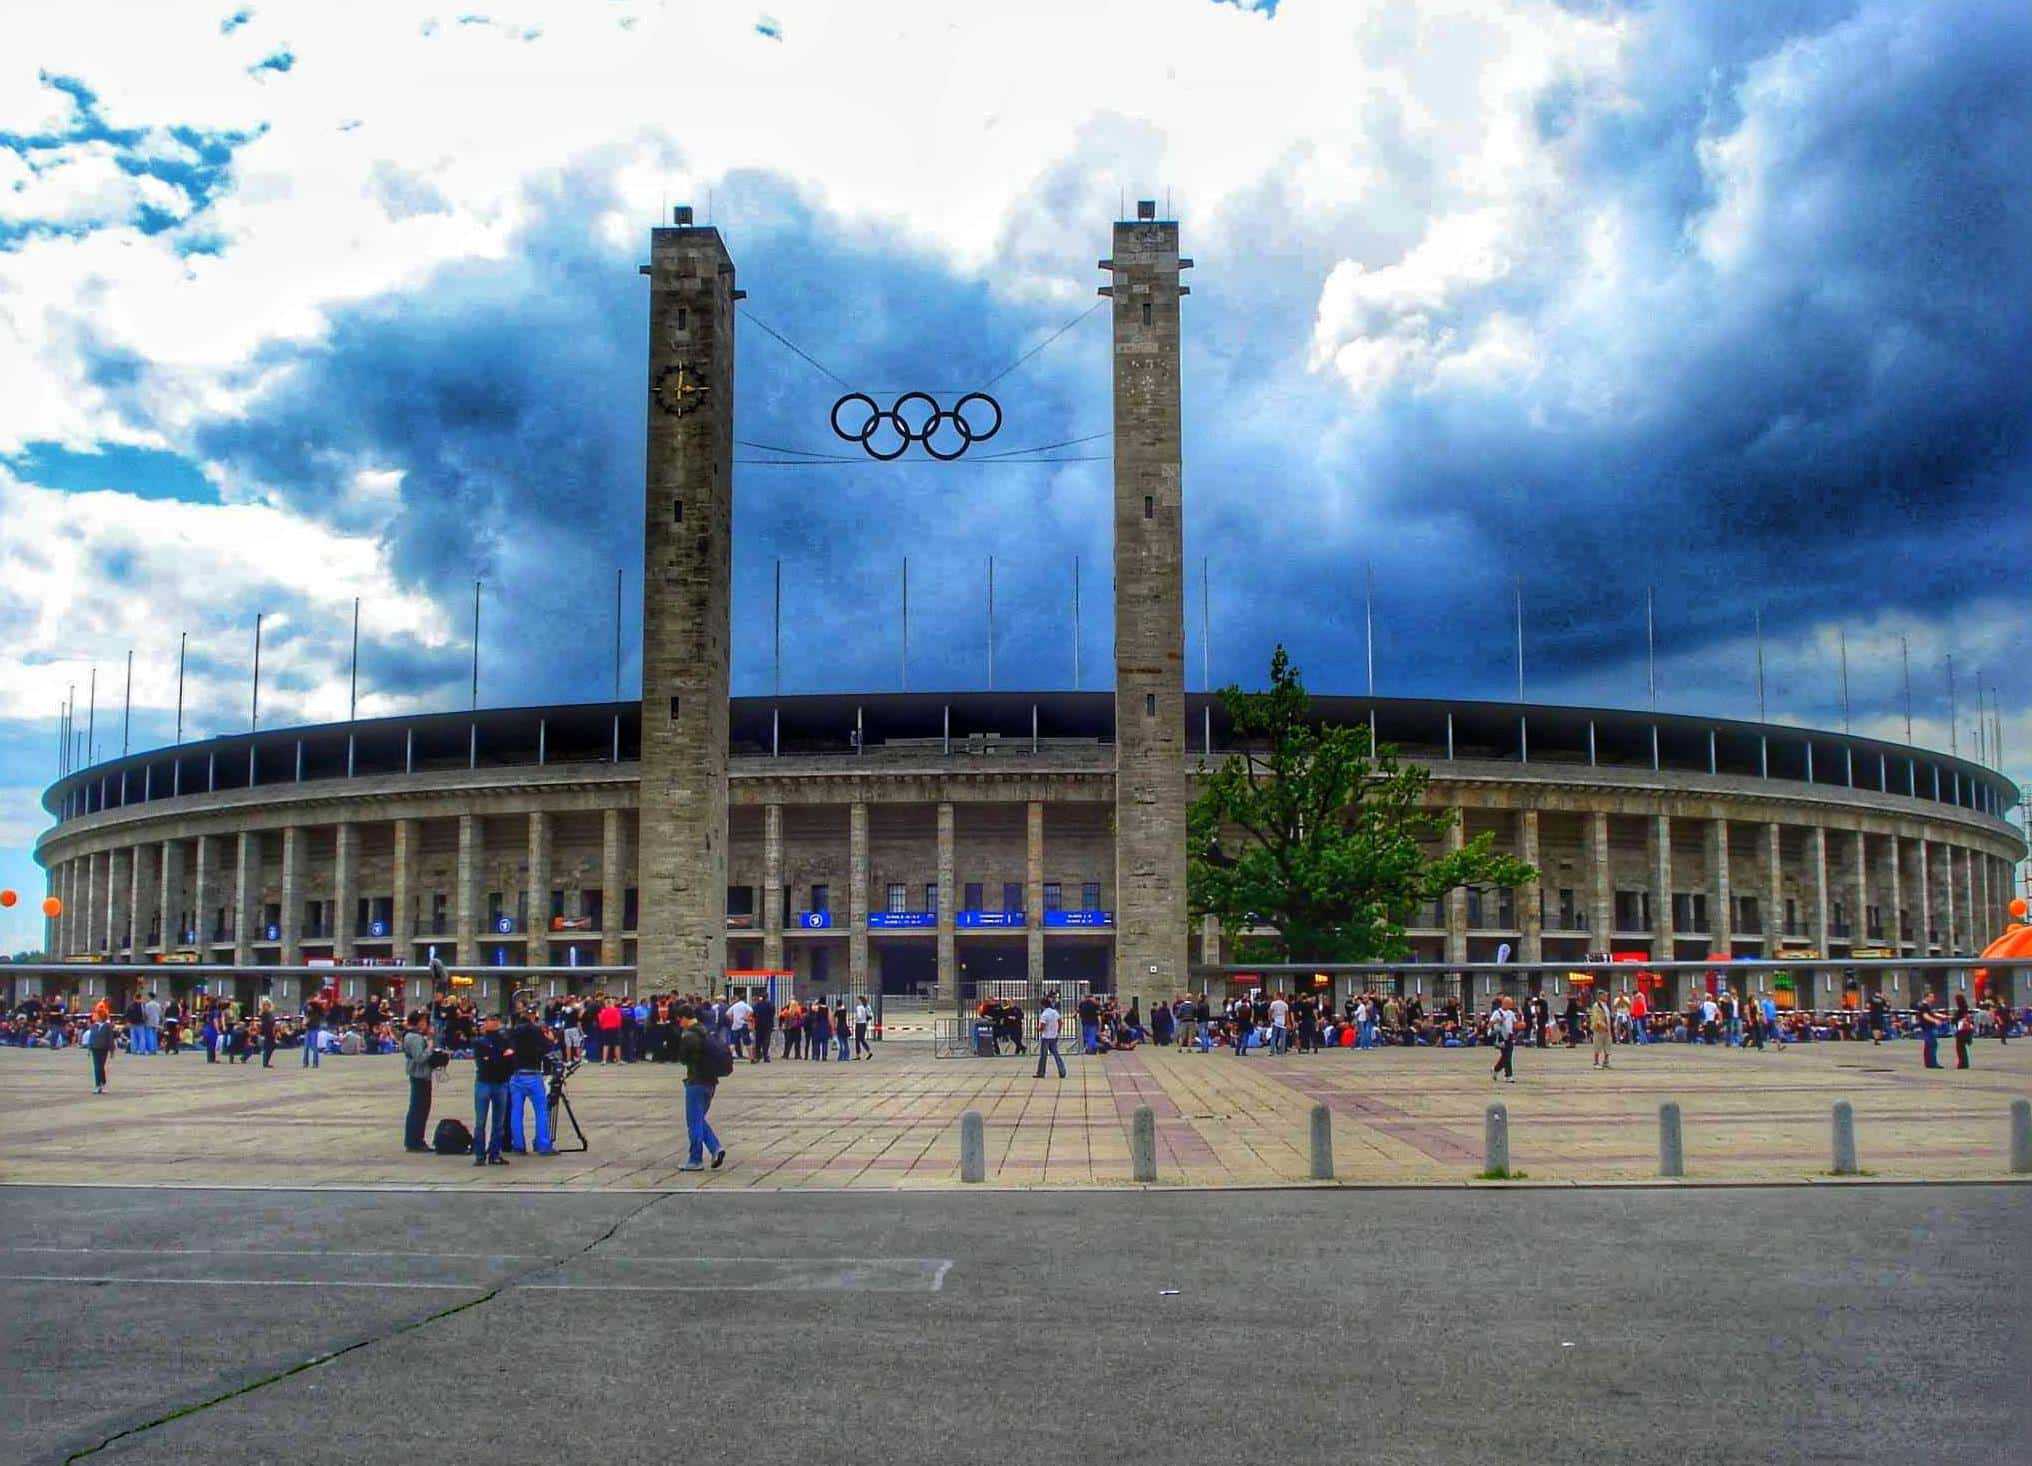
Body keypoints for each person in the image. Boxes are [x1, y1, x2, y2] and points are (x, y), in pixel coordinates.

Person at [673, 1004, 728, 1171]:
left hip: (696, 1081)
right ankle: (715, 1148)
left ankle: (695, 1159)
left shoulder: (689, 1035)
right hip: (711, 1082)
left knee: (694, 1122)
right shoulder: (706, 1030)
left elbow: (683, 1058)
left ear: (684, 1018)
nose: (679, 1024)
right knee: (698, 1119)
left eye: (679, 1020)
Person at [506, 1007, 557, 1156]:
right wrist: (551, 1040)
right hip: (533, 1074)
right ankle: (542, 1144)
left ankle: (518, 1145)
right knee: (541, 1111)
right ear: (533, 1016)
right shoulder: (536, 1031)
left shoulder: (513, 1032)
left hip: (516, 1075)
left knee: (516, 1111)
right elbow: (547, 1048)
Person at [470, 1014, 514, 1166]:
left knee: (498, 1123)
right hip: (484, 1082)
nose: (493, 1023)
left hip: (500, 1083)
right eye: (490, 1021)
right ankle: (480, 1155)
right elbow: (484, 1062)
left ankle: (494, 1153)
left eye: (495, 1021)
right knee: (480, 1122)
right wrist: (501, 1056)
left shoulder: (505, 1040)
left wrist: (495, 1057)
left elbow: (510, 1060)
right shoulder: (479, 1042)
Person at [400, 1010, 434, 1153]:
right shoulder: (414, 1037)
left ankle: (415, 1139)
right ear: (419, 1022)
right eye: (425, 1021)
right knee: (419, 1109)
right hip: (419, 1075)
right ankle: (414, 1141)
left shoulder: (414, 1036)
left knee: (419, 1108)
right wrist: (430, 1046)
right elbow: (420, 1057)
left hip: (420, 1075)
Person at [1034, 994, 1066, 1079]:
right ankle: (1062, 1071)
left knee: (1043, 1056)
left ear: (1043, 1005)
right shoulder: (1055, 1012)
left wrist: (1038, 1029)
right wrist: (1058, 1031)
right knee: (1056, 1054)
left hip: (1046, 1037)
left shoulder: (1044, 1014)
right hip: (1054, 1036)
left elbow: (1042, 1027)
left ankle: (1041, 1072)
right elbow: (1060, 1022)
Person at [85, 1009, 116, 1093]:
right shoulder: (94, 1026)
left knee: (101, 1067)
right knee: (97, 1067)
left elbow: (110, 1038)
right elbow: (91, 1038)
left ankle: (102, 1083)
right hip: (95, 1048)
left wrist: (112, 1050)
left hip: (103, 1048)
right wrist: (89, 1048)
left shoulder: (107, 1026)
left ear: (101, 1016)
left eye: (96, 1015)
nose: (94, 1016)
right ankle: (98, 1085)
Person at [1490, 997, 1518, 1083]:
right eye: (1509, 1004)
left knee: (1507, 1056)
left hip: (1509, 1036)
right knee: (1506, 1056)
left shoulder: (1511, 1013)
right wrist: (1497, 1021)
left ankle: (1496, 1069)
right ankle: (1508, 1076)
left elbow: (1514, 1023)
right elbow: (1490, 1023)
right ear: (1504, 1003)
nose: (1510, 1006)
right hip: (1501, 1037)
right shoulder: (1497, 1012)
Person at [1590, 990, 1612, 1069]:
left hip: (1607, 1029)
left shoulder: (1606, 1005)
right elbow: (1596, 1017)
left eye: (1607, 995)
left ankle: (1606, 1061)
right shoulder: (1596, 1005)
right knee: (1597, 1045)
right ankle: (1596, 1062)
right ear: (1600, 996)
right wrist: (1602, 1025)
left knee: (1607, 1045)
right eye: (1604, 995)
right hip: (1599, 1029)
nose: (1606, 997)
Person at [750, 992, 775, 1063]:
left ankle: (757, 1056)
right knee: (766, 1041)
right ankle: (765, 1056)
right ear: (767, 997)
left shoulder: (756, 1005)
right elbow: (772, 1014)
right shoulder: (770, 1005)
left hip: (758, 1025)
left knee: (758, 1041)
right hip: (768, 1025)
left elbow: (754, 1014)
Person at [301, 997, 325, 1068]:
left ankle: (315, 1063)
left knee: (314, 1046)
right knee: (306, 1047)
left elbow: (321, 1012)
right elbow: (305, 1010)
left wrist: (315, 1002)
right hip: (309, 1028)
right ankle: (305, 1063)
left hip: (314, 1028)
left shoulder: (318, 1008)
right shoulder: (308, 1007)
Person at [1953, 993, 1974, 1070]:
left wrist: (1954, 1019)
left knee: (1960, 1047)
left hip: (1962, 1030)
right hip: (1965, 1030)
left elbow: (1959, 1018)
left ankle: (1962, 1063)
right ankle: (1964, 1063)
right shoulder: (1965, 1007)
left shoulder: (1961, 1009)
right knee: (1962, 1048)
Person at [257, 999, 278, 1067]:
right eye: (265, 1005)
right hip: (268, 1031)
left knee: (270, 1046)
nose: (267, 1006)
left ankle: (265, 1062)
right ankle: (265, 1062)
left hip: (269, 1031)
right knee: (269, 1046)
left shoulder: (269, 1013)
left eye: (268, 1005)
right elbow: (267, 1022)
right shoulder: (265, 1013)